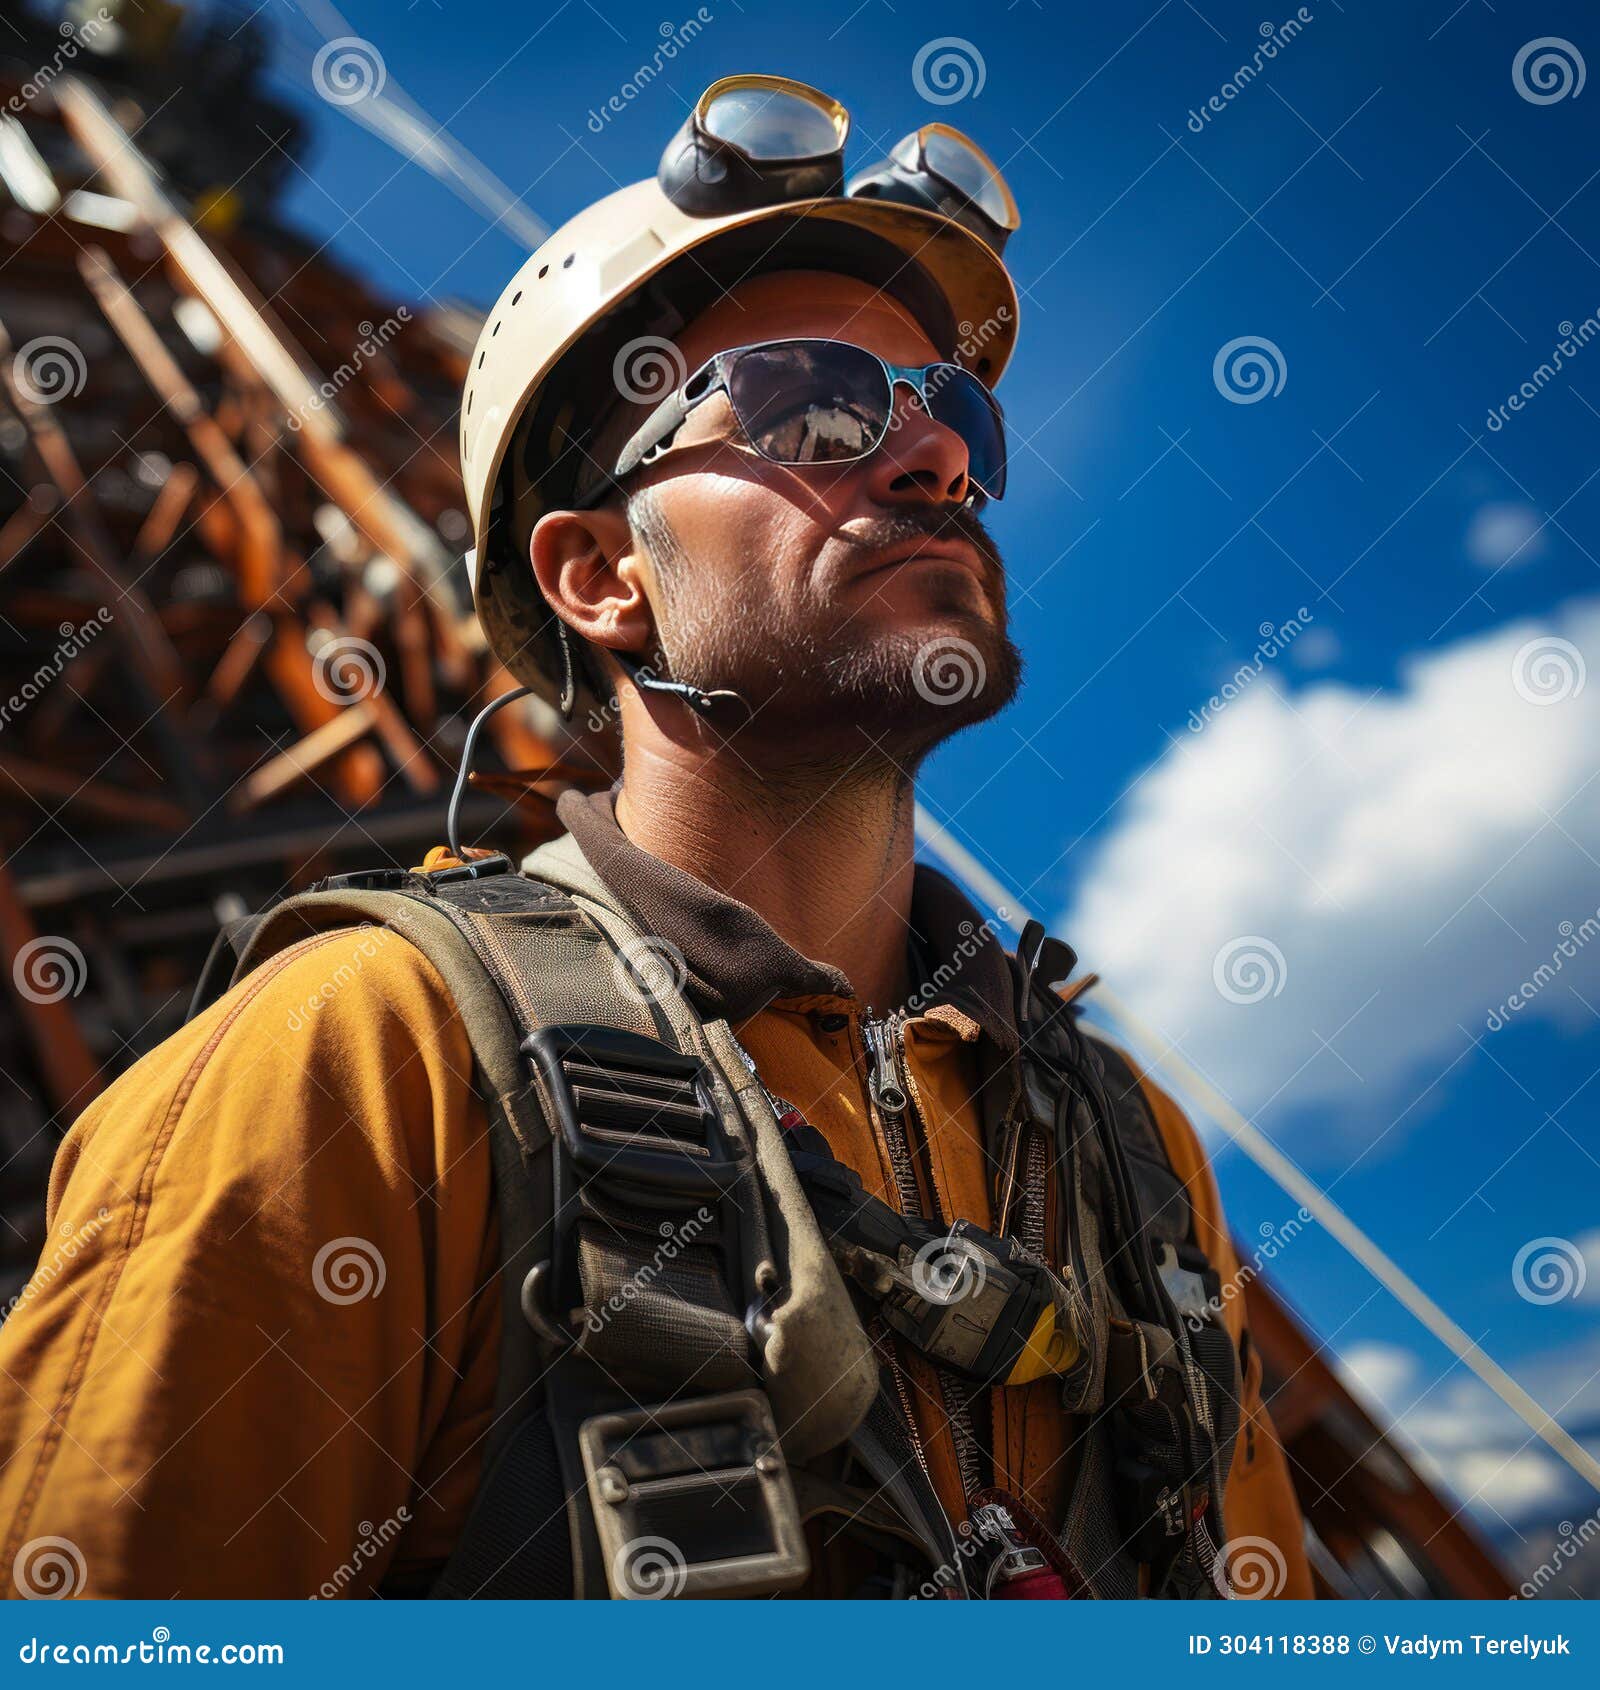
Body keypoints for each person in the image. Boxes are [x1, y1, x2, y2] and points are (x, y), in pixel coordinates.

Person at [0, 77, 1311, 1600]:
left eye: (954, 414)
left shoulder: (1128, 1146)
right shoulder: (360, 1057)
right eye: (810, 402)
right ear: (599, 577)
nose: (935, 462)